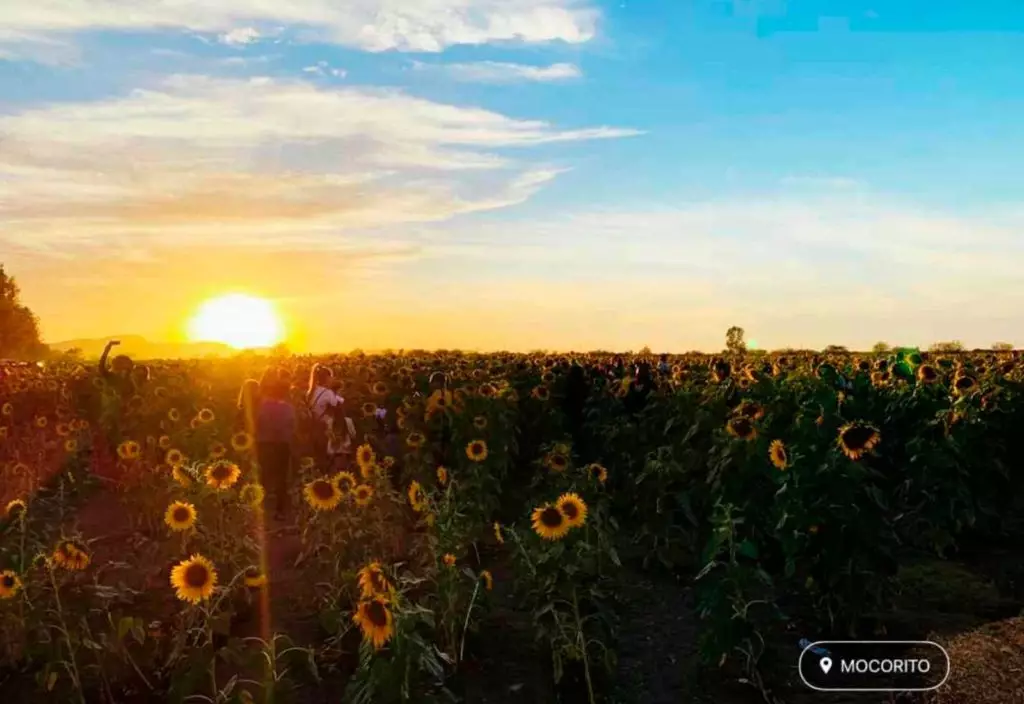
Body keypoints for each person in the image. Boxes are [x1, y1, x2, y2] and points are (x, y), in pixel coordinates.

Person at [256, 378, 296, 521]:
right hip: (282, 444)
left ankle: (259, 509)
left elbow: (258, 423)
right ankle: (279, 511)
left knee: (265, 475)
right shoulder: (288, 408)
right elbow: (292, 425)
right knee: (281, 477)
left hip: (265, 443)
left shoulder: (263, 406)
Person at [306, 364, 346, 468]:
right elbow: (337, 404)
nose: (332, 379)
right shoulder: (327, 393)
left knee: (317, 456)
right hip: (325, 428)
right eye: (330, 377)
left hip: (313, 427)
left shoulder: (311, 391)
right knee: (326, 457)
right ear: (326, 378)